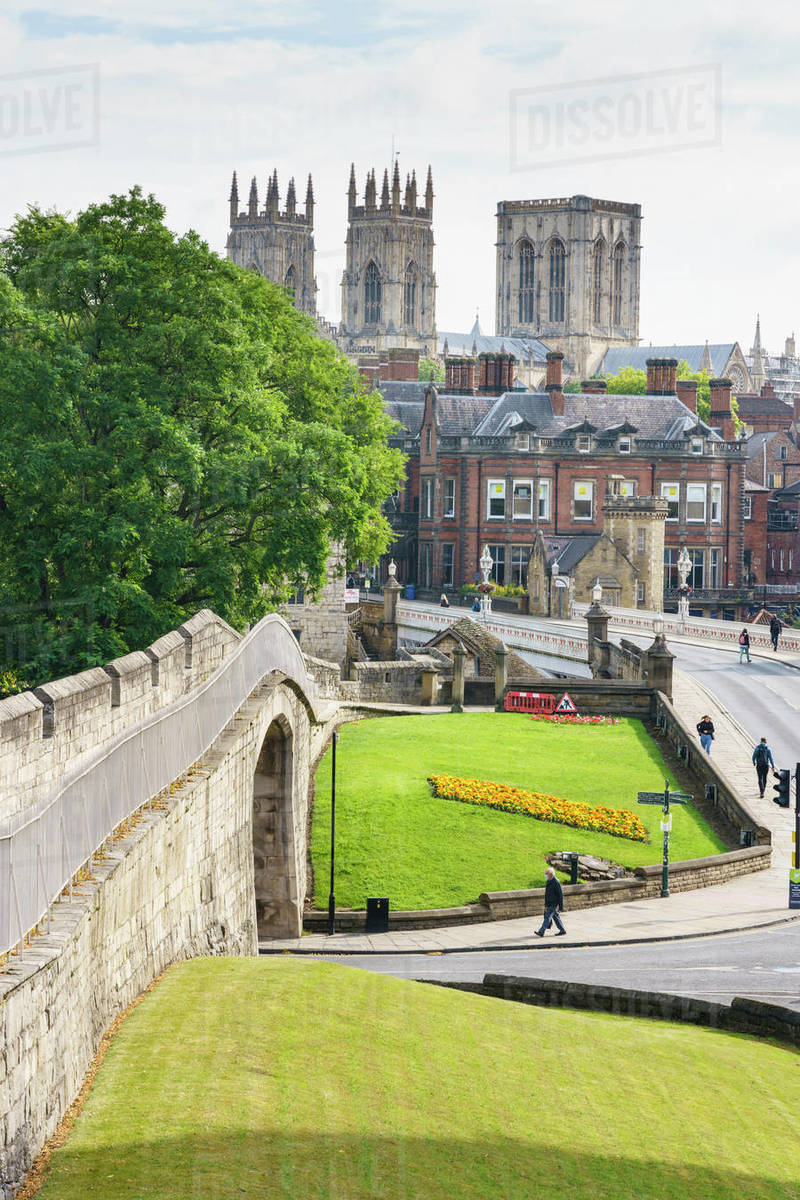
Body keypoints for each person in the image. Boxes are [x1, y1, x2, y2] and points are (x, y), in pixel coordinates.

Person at [535, 867, 567, 937]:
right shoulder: (549, 881)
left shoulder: (556, 882)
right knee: (556, 917)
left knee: (547, 917)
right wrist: (546, 903)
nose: (545, 875)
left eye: (546, 874)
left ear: (551, 874)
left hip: (553, 903)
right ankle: (562, 930)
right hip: (549, 903)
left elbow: (560, 895)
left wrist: (561, 906)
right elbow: (547, 894)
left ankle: (541, 931)